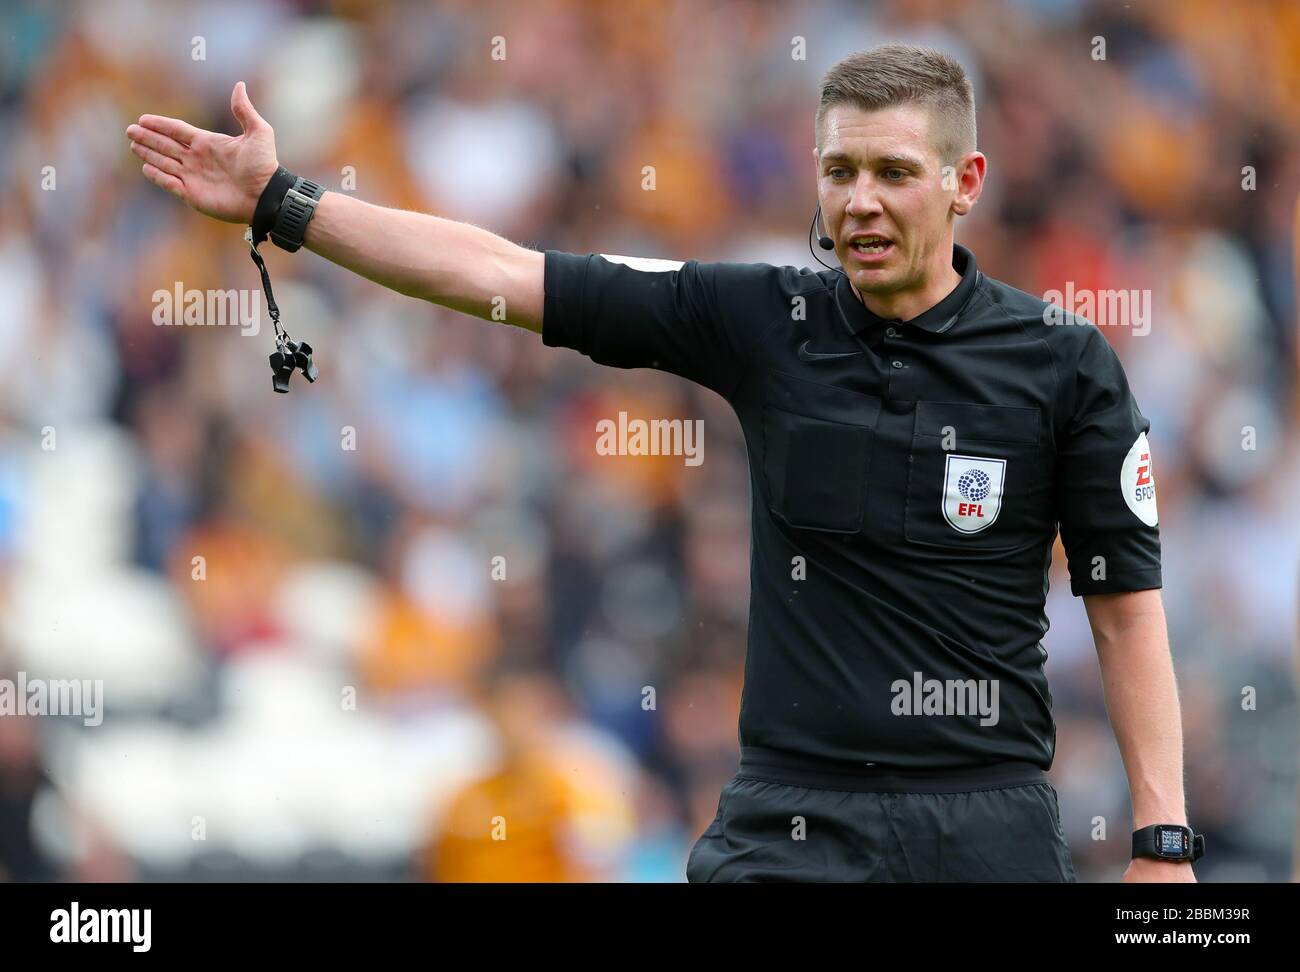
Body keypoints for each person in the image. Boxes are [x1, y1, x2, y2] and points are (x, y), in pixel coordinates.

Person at [126, 43, 1201, 882]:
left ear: (964, 181)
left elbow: (1124, 607)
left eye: (892, 172)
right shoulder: (762, 319)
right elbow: (502, 272)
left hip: (985, 824)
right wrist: (287, 203)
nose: (861, 200)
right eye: (839, 171)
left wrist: (1162, 835)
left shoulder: (1064, 364)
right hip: (795, 823)